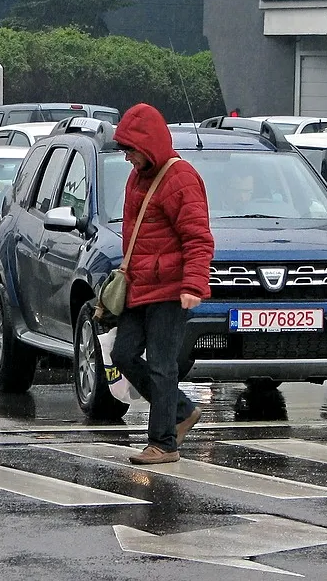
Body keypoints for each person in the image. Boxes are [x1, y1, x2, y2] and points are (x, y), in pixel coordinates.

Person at [110, 103, 215, 465]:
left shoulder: (180, 178)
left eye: (130, 150)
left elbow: (198, 238)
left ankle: (164, 443)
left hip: (171, 289)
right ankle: (183, 410)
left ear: (148, 144)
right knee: (122, 353)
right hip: (141, 287)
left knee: (161, 363)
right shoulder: (137, 177)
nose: (127, 158)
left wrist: (193, 285)